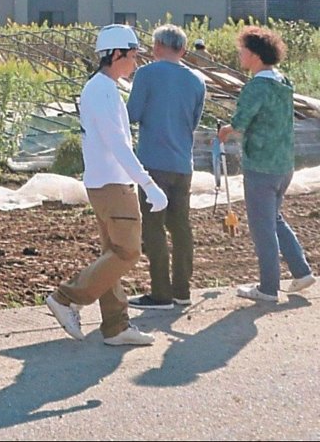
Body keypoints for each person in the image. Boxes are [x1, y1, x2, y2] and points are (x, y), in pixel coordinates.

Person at [45, 24, 169, 346]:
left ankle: (116, 326)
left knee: (111, 254)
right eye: (132, 55)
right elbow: (118, 145)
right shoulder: (102, 91)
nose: (136, 62)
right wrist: (148, 183)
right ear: (115, 54)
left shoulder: (103, 88)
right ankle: (65, 297)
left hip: (104, 183)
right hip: (114, 185)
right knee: (127, 253)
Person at [218, 26, 315, 302]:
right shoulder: (284, 82)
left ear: (256, 55)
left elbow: (240, 122)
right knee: (274, 219)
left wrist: (225, 131)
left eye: (243, 51)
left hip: (260, 165)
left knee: (262, 228)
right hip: (284, 163)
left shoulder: (257, 86)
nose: (240, 55)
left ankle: (268, 288)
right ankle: (301, 271)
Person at [126, 24, 206, 309]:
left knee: (154, 227)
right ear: (183, 50)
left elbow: (132, 115)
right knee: (181, 226)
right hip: (183, 163)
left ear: (158, 47)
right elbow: (194, 122)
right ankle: (182, 291)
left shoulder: (146, 74)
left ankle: (160, 293)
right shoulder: (197, 81)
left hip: (153, 162)